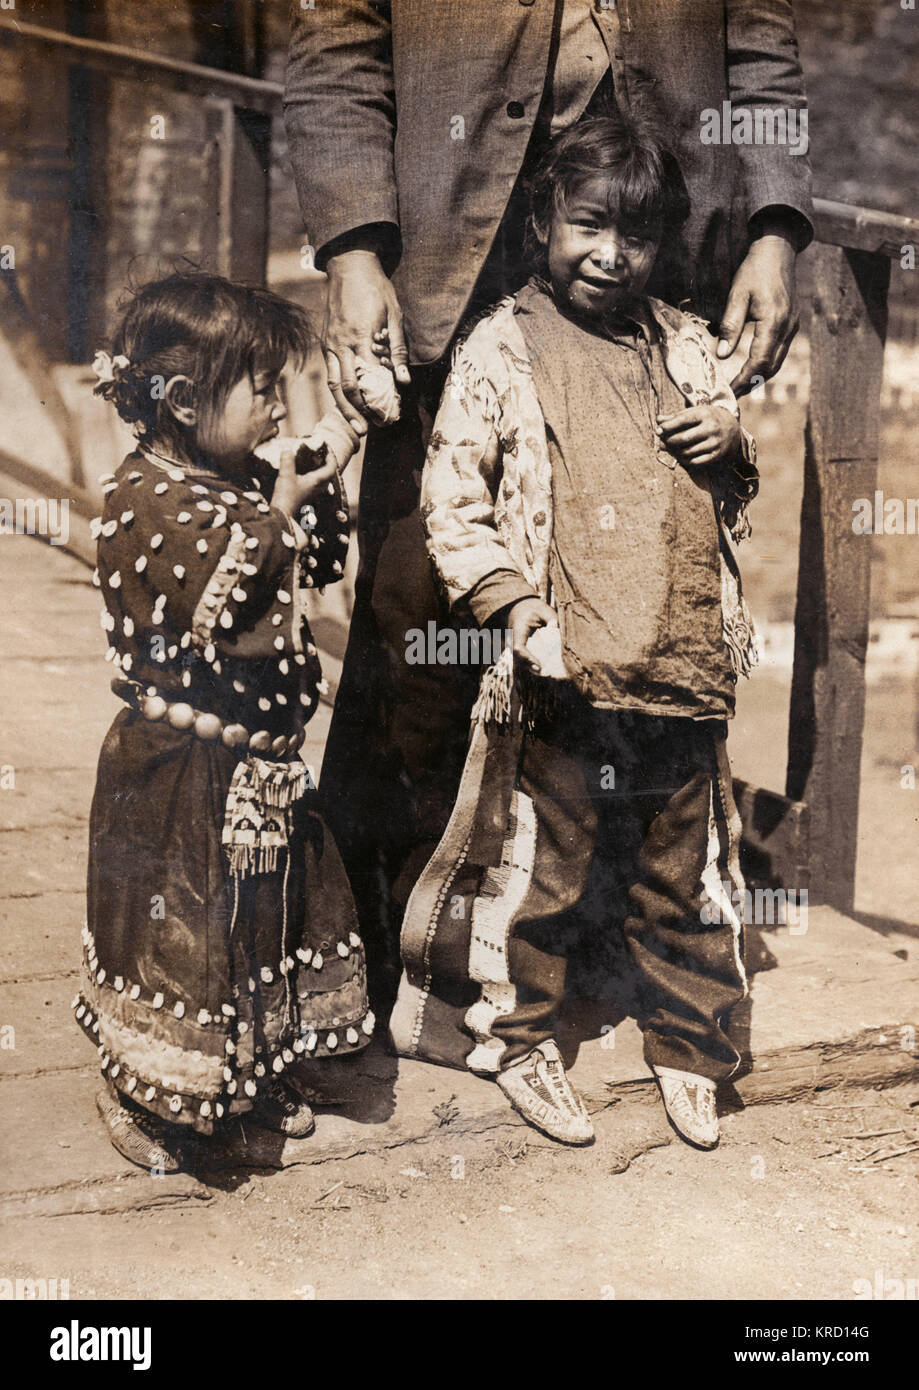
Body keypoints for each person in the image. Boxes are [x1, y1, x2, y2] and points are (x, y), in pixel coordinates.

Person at [284, 0, 813, 1010]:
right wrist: (354, 249)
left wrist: (774, 229)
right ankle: (359, 951)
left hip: (650, 246)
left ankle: (564, 954)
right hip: (451, 248)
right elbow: (339, 39)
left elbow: (761, 37)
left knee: (630, 609)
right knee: (418, 608)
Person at [390, 116, 758, 1151]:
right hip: (566, 666)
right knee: (541, 876)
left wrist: (732, 439)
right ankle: (517, 1038)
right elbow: (453, 502)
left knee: (681, 875)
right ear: (547, 218)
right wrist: (512, 606)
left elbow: (734, 489)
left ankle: (692, 1048)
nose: (610, 253)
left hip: (677, 659)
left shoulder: (685, 345)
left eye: (635, 236)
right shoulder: (503, 345)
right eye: (589, 224)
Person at [75, 272, 373, 1172]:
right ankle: (145, 1088)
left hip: (263, 769)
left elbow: (312, 559)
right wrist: (278, 508)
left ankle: (242, 1073)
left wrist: (317, 479)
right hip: (175, 775)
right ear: (178, 399)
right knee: (177, 940)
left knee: (258, 925)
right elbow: (235, 605)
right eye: (262, 388)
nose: (280, 407)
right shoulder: (140, 497)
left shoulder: (243, 473)